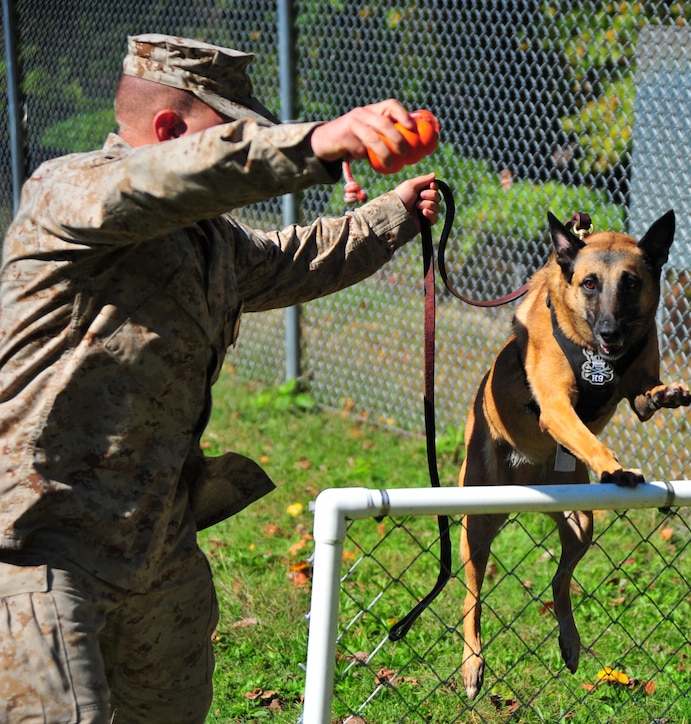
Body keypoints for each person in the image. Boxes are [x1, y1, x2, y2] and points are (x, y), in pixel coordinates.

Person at [0, 33, 441, 723]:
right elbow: (170, 178)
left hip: (156, 548)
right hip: (43, 554)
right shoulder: (69, 191)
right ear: (172, 130)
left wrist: (392, 216)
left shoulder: (209, 240)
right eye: (235, 136)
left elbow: (291, 260)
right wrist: (316, 143)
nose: (248, 155)